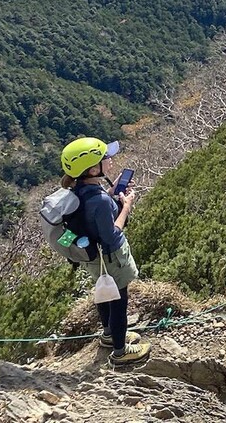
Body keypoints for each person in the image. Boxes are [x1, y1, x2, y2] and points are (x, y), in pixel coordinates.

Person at [59, 136, 150, 366]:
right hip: (110, 256)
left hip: (94, 258)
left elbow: (93, 214)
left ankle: (109, 335)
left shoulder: (80, 190)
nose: (110, 160)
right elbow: (111, 233)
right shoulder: (99, 200)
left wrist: (111, 193)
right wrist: (126, 207)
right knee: (118, 300)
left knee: (103, 292)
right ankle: (120, 352)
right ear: (92, 169)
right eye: (105, 158)